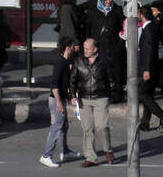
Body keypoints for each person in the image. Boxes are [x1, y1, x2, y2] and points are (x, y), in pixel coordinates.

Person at [70, 37, 113, 167]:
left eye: (88, 48)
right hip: (84, 99)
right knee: (87, 129)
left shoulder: (104, 61)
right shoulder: (79, 61)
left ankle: (107, 150)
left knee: (102, 126)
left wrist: (112, 94)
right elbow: (72, 80)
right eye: (84, 48)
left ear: (95, 49)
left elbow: (112, 78)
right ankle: (90, 157)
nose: (85, 50)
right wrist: (72, 96)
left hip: (101, 98)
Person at [40, 37, 78, 168]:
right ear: (67, 48)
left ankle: (65, 151)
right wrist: (59, 102)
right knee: (56, 128)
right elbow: (54, 85)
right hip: (56, 100)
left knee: (63, 126)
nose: (74, 48)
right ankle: (46, 155)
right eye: (73, 46)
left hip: (61, 98)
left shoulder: (65, 62)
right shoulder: (60, 62)